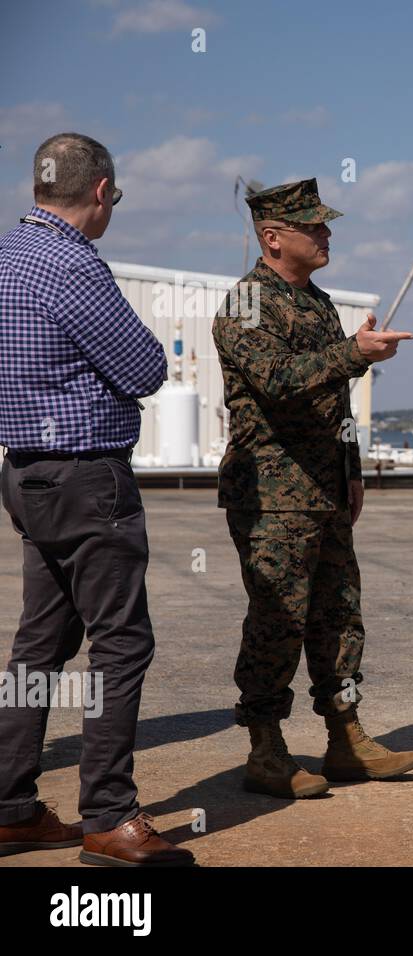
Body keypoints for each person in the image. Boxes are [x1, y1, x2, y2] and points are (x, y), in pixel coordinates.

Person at [0, 132, 193, 865]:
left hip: (24, 474)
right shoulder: (72, 264)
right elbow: (145, 367)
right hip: (87, 477)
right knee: (120, 643)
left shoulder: (8, 255)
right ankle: (109, 816)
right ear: (102, 191)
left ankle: (10, 804)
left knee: (38, 646)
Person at [212, 178, 413, 799]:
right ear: (274, 238)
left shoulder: (320, 304)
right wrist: (354, 353)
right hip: (272, 492)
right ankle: (266, 748)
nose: (327, 235)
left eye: (326, 225)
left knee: (338, 616)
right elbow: (278, 381)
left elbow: (336, 400)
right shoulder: (248, 303)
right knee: (278, 619)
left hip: (325, 487)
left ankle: (346, 735)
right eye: (314, 227)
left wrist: (351, 469)